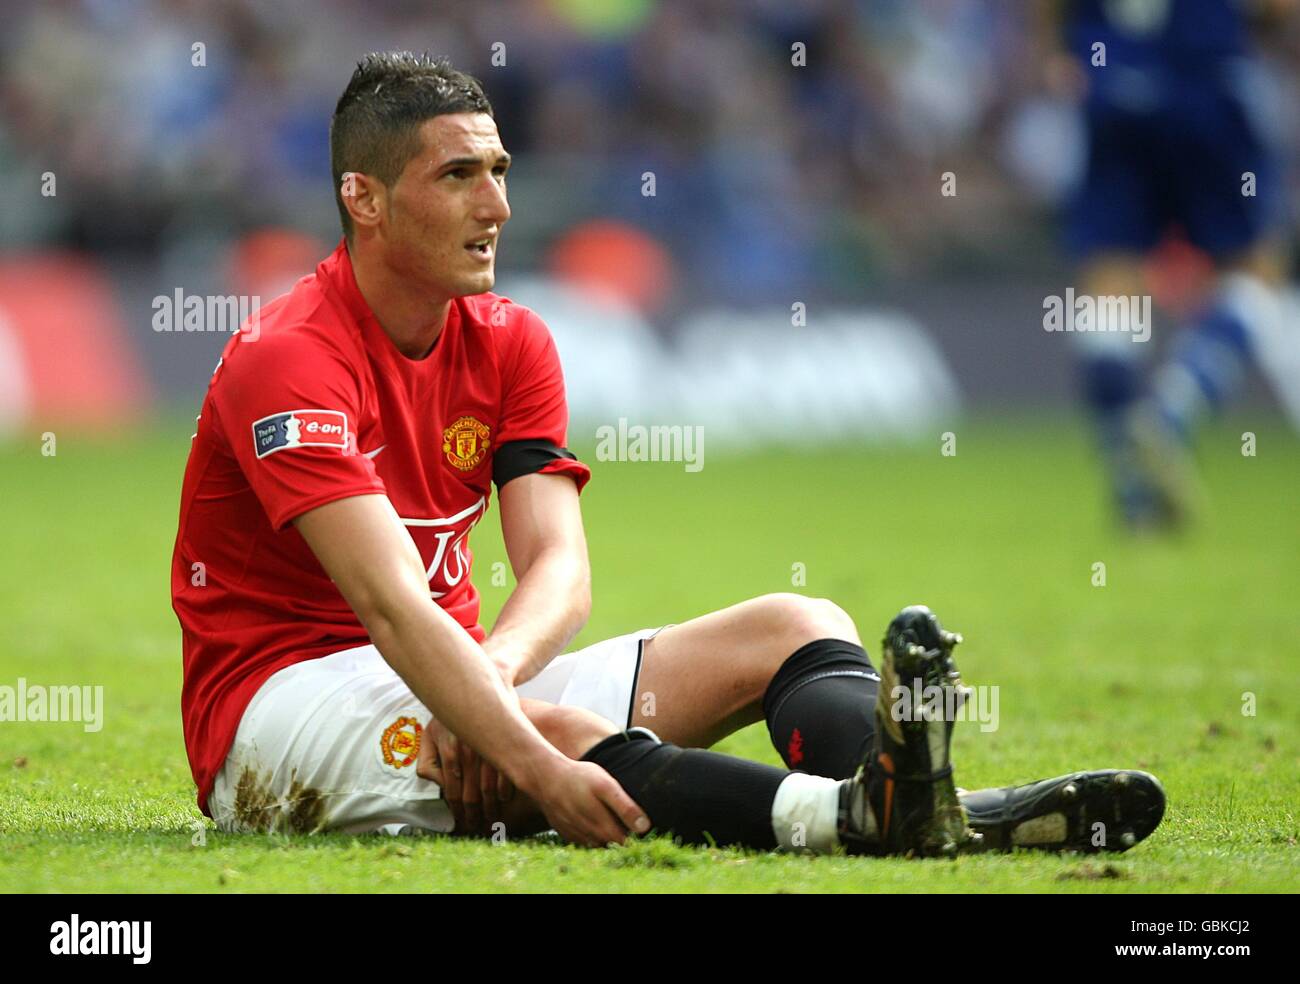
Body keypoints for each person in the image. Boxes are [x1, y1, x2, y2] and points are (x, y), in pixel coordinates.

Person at [171, 52, 1165, 856]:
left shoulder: (511, 338)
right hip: (281, 712)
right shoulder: (289, 358)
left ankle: (908, 793)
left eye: (501, 170)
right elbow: (389, 603)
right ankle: (851, 821)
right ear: (366, 199)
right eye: (458, 175)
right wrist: (528, 757)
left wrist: (488, 681)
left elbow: (558, 569)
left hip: (457, 676)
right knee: (559, 743)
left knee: (794, 621)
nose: (498, 206)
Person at [1040, 0, 1295, 528]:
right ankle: (1172, 411)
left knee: (1108, 286)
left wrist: (1060, 49)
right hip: (1204, 87)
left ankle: (1132, 484)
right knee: (1255, 271)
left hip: (1112, 88)